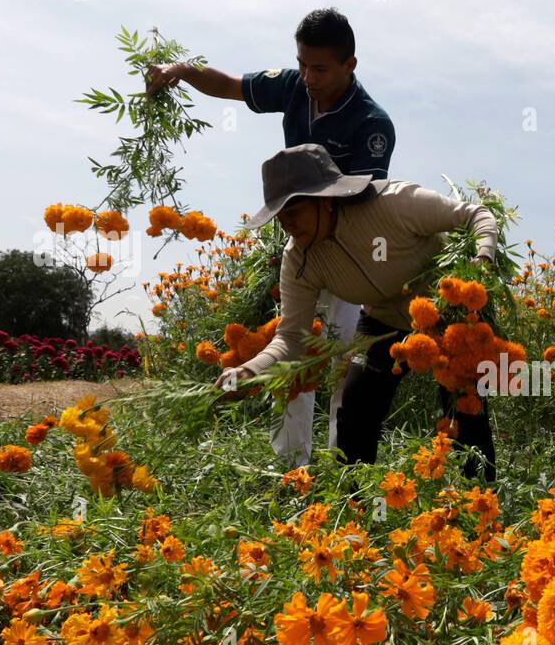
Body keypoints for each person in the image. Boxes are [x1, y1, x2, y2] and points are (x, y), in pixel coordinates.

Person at [146, 7, 394, 465]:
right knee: (295, 353)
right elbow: (230, 86)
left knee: (340, 364)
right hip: (302, 247)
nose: (308, 77)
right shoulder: (293, 87)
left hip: (348, 257)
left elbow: (365, 200)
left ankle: (343, 468)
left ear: (349, 65)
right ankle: (292, 466)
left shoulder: (372, 124)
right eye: (301, 63)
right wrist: (180, 71)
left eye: (319, 68)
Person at [214, 144, 500, 481]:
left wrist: (481, 262)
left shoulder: (394, 203)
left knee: (464, 408)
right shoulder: (300, 260)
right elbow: (291, 337)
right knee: (356, 406)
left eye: (294, 212)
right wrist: (248, 370)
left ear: (326, 199)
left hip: (448, 313)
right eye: (281, 217)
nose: (288, 225)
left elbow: (477, 215)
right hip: (384, 321)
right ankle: (356, 500)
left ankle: (478, 501)